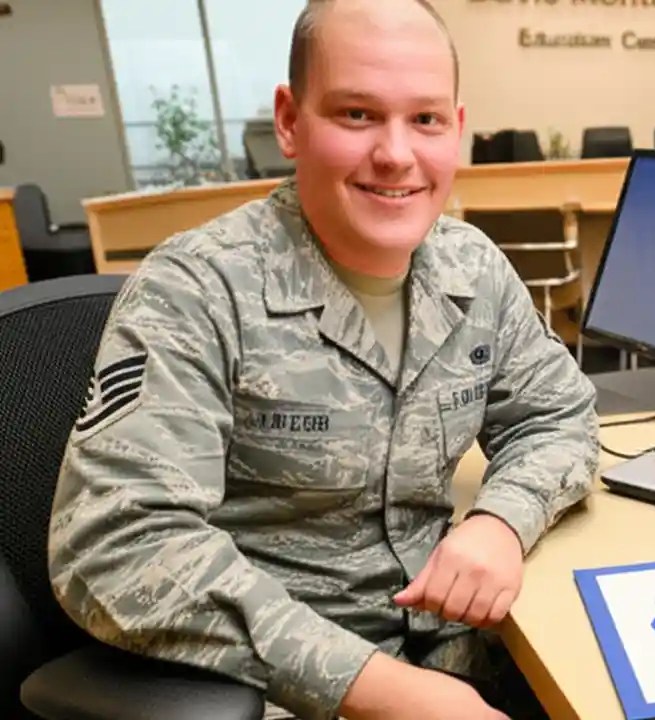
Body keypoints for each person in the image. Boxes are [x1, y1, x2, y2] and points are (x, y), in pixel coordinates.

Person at [46, 1, 599, 719]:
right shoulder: (197, 290)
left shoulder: (475, 272)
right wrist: (387, 693)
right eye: (358, 115)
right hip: (283, 691)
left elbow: (560, 416)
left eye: (425, 120)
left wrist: (501, 521)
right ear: (289, 120)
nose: (397, 154)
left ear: (457, 129)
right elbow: (116, 543)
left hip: (469, 657)